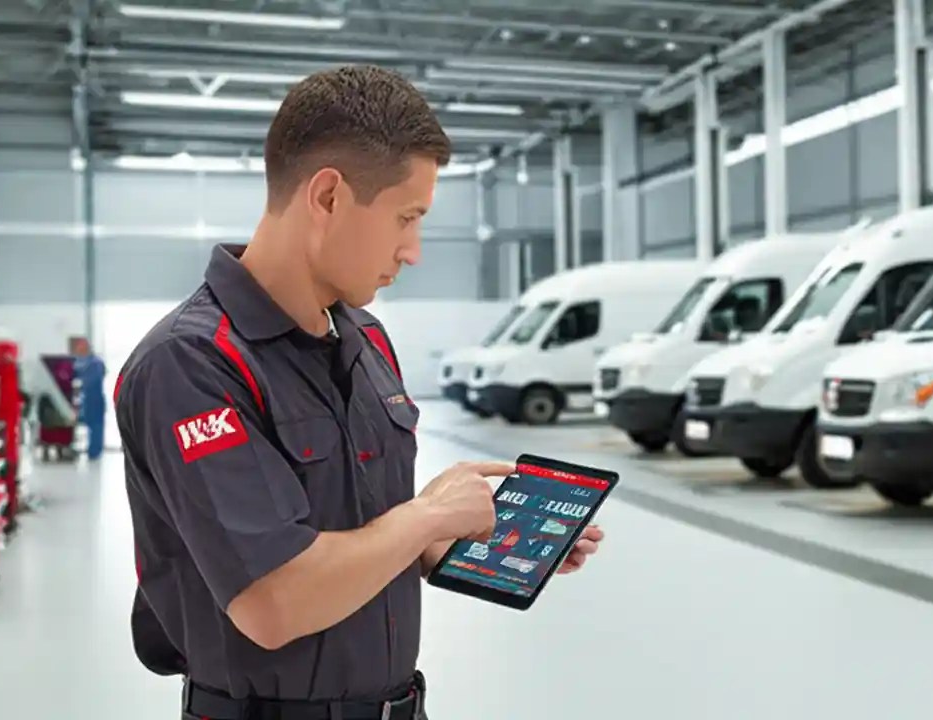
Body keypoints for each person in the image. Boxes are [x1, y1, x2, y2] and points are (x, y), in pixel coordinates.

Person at [114, 65, 604, 719]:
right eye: (407, 217)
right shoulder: (190, 364)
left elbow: (369, 535)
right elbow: (274, 600)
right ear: (328, 198)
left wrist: (478, 540)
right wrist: (424, 515)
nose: (414, 251)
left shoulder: (367, 340)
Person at [70, 336, 106, 460]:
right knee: (90, 424)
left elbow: (92, 380)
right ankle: (92, 450)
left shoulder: (96, 362)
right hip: (86, 399)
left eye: (81, 347)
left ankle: (95, 451)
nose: (79, 350)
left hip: (95, 398)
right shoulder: (83, 362)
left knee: (96, 426)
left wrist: (79, 384)